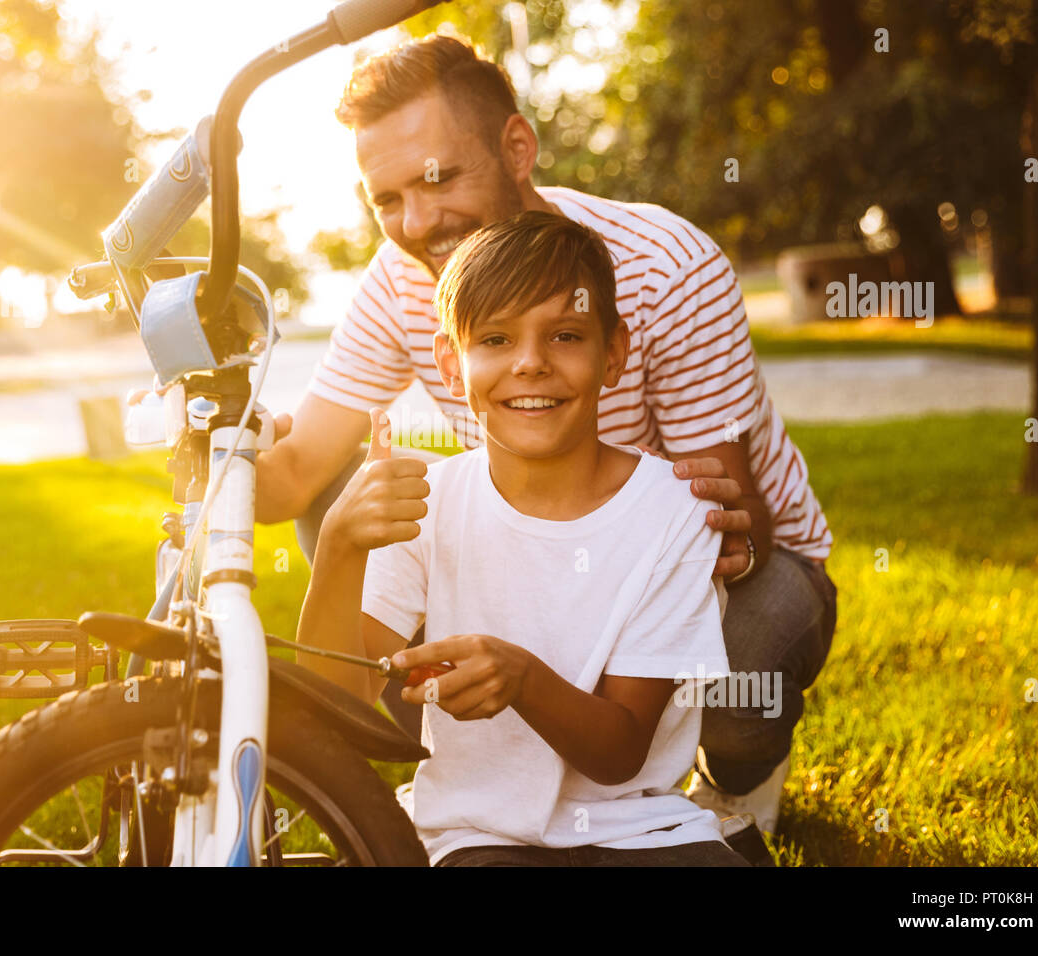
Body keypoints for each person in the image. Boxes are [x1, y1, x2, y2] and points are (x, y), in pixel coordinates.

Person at [251, 34, 837, 835]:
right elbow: (293, 474)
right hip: (538, 552)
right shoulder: (399, 286)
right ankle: (477, 758)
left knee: (734, 690)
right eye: (386, 200)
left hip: (728, 561)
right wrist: (206, 451)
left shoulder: (664, 266)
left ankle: (732, 776)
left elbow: (733, 536)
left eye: (438, 178)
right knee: (345, 498)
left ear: (517, 148)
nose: (418, 223)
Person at [298, 210, 750, 866]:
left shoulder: (673, 511)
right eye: (497, 340)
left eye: (565, 335)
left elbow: (619, 754)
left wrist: (522, 679)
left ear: (614, 353)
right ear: (452, 366)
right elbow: (336, 711)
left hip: (643, 828)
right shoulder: (427, 502)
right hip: (478, 836)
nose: (532, 364)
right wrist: (338, 547)